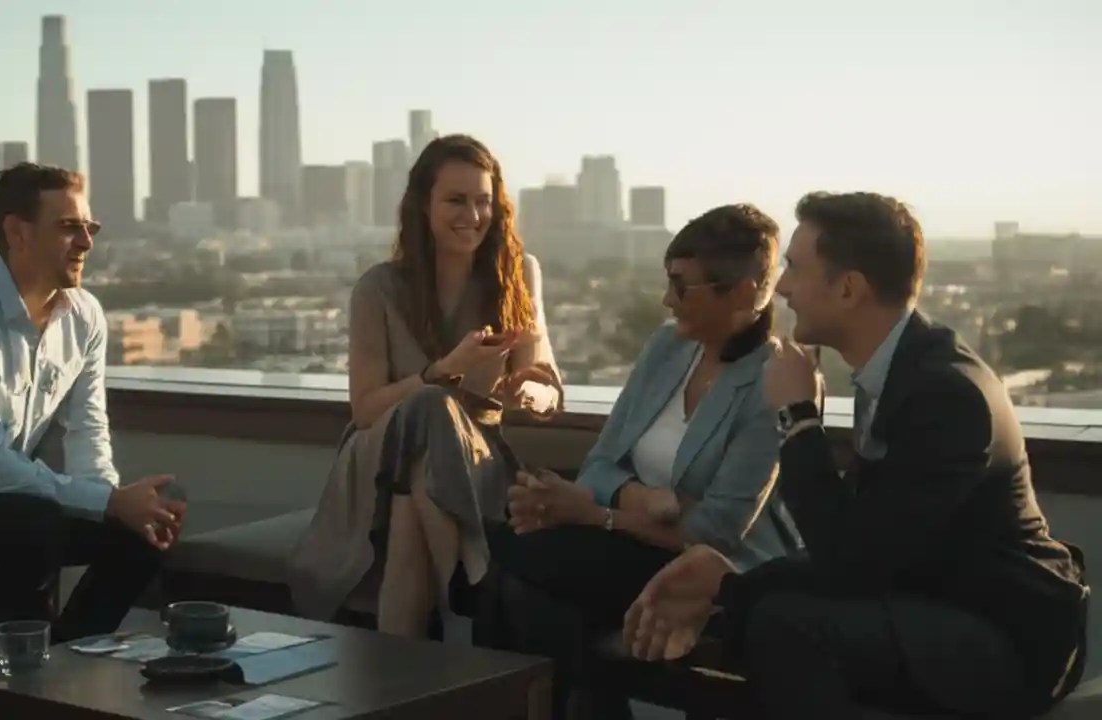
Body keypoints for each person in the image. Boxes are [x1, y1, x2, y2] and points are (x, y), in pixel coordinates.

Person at [626, 191, 1089, 718]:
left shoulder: (947, 393)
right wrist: (728, 585)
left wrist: (797, 418)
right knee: (755, 616)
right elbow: (865, 542)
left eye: (796, 269)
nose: (781, 289)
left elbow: (854, 562)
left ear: (849, 289)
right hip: (937, 605)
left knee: (784, 624)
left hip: (1005, 637)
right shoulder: (897, 370)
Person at [476, 203, 803, 718]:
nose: (666, 300)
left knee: (512, 563)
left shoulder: (776, 383)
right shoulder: (667, 348)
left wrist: (596, 514)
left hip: (711, 568)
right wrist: (645, 500)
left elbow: (714, 532)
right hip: (634, 539)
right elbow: (601, 463)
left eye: (682, 286)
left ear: (743, 293)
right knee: (518, 571)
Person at [0, 163, 186, 643]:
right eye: (68, 227)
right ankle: (15, 677)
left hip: (9, 494)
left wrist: (114, 504)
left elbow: (88, 431)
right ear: (18, 233)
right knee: (33, 524)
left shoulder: (85, 316)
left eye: (90, 227)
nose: (86, 242)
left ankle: (69, 655)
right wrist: (105, 503)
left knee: (153, 517)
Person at [287, 134, 562, 637]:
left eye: (483, 201)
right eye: (456, 201)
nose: (473, 215)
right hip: (378, 453)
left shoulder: (518, 275)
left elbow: (549, 390)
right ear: (424, 206)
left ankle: (415, 679)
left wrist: (525, 391)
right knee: (432, 405)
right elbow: (366, 410)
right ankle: (476, 576)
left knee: (414, 508)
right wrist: (442, 371)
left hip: (471, 457)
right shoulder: (378, 288)